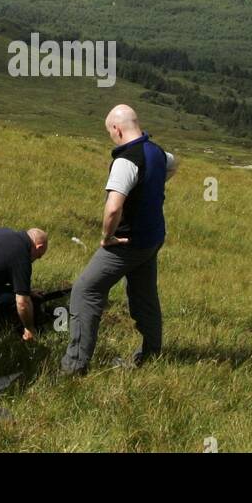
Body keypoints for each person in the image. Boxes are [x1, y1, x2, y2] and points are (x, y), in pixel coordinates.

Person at [61, 104, 176, 374]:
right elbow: (173, 165)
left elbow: (113, 207)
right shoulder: (157, 152)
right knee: (144, 295)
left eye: (109, 132)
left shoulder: (127, 160)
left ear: (117, 128)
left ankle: (75, 365)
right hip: (153, 238)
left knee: (85, 291)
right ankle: (151, 355)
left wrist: (107, 236)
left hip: (127, 243)